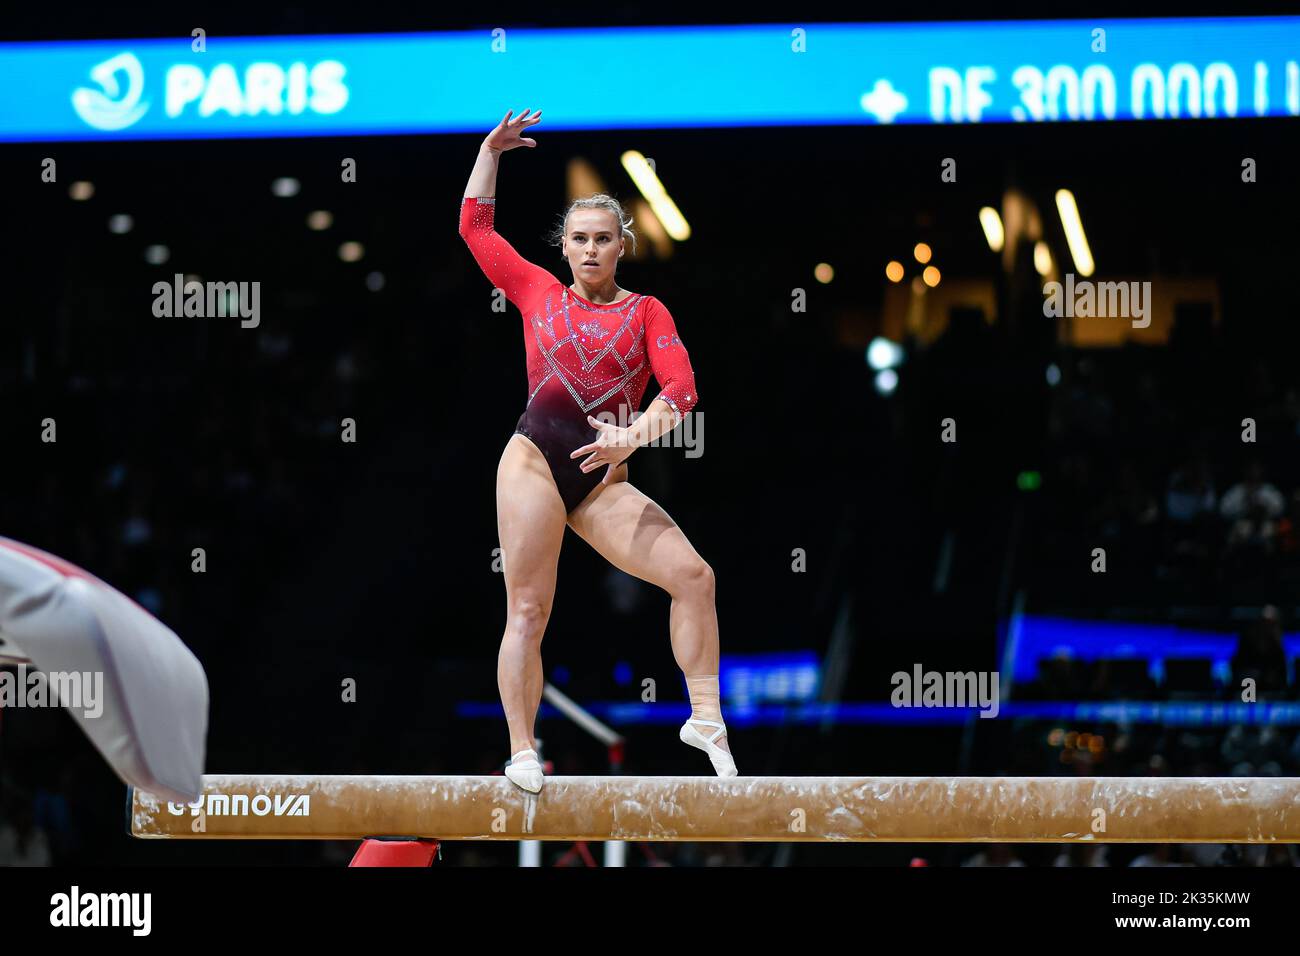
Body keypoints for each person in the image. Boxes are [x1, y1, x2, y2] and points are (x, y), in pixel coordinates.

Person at [458, 109, 736, 792]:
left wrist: (635, 434)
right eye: (579, 238)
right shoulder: (535, 292)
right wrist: (490, 153)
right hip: (531, 462)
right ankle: (522, 749)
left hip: (599, 484)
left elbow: (683, 390)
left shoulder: (647, 313)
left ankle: (705, 716)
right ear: (563, 246)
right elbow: (476, 229)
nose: (589, 249)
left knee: (695, 578)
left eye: (602, 239)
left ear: (622, 246)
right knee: (527, 610)